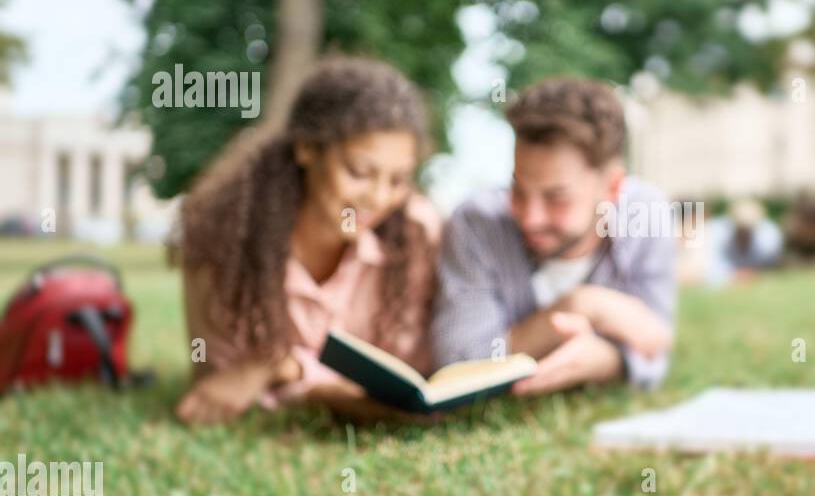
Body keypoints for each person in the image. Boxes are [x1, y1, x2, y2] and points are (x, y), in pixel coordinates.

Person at [175, 56, 441, 424]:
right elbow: (221, 382)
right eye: (359, 172)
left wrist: (286, 369)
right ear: (307, 149)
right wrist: (302, 379)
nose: (379, 198)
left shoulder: (414, 232)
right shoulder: (225, 242)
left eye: (398, 180)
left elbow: (408, 371)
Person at [433, 76, 676, 395]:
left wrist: (605, 361)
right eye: (518, 190)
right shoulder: (476, 223)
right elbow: (460, 362)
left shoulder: (647, 215)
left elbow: (654, 344)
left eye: (556, 197)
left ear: (612, 187)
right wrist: (579, 306)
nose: (531, 218)